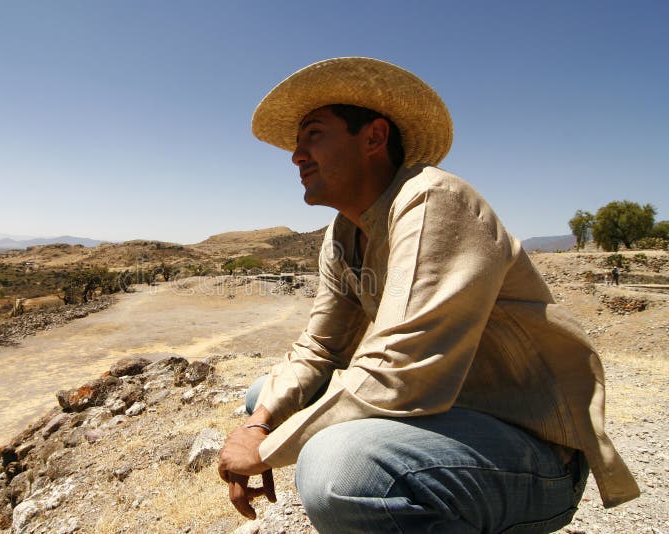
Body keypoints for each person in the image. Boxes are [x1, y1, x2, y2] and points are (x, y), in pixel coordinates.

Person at [218, 57, 639, 533]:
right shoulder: (342, 234)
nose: (296, 155)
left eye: (313, 134)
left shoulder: (435, 200)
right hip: (446, 418)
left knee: (338, 470)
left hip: (530, 446)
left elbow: (399, 369)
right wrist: (262, 424)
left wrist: (268, 448)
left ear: (374, 138)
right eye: (297, 143)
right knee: (266, 398)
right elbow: (320, 349)